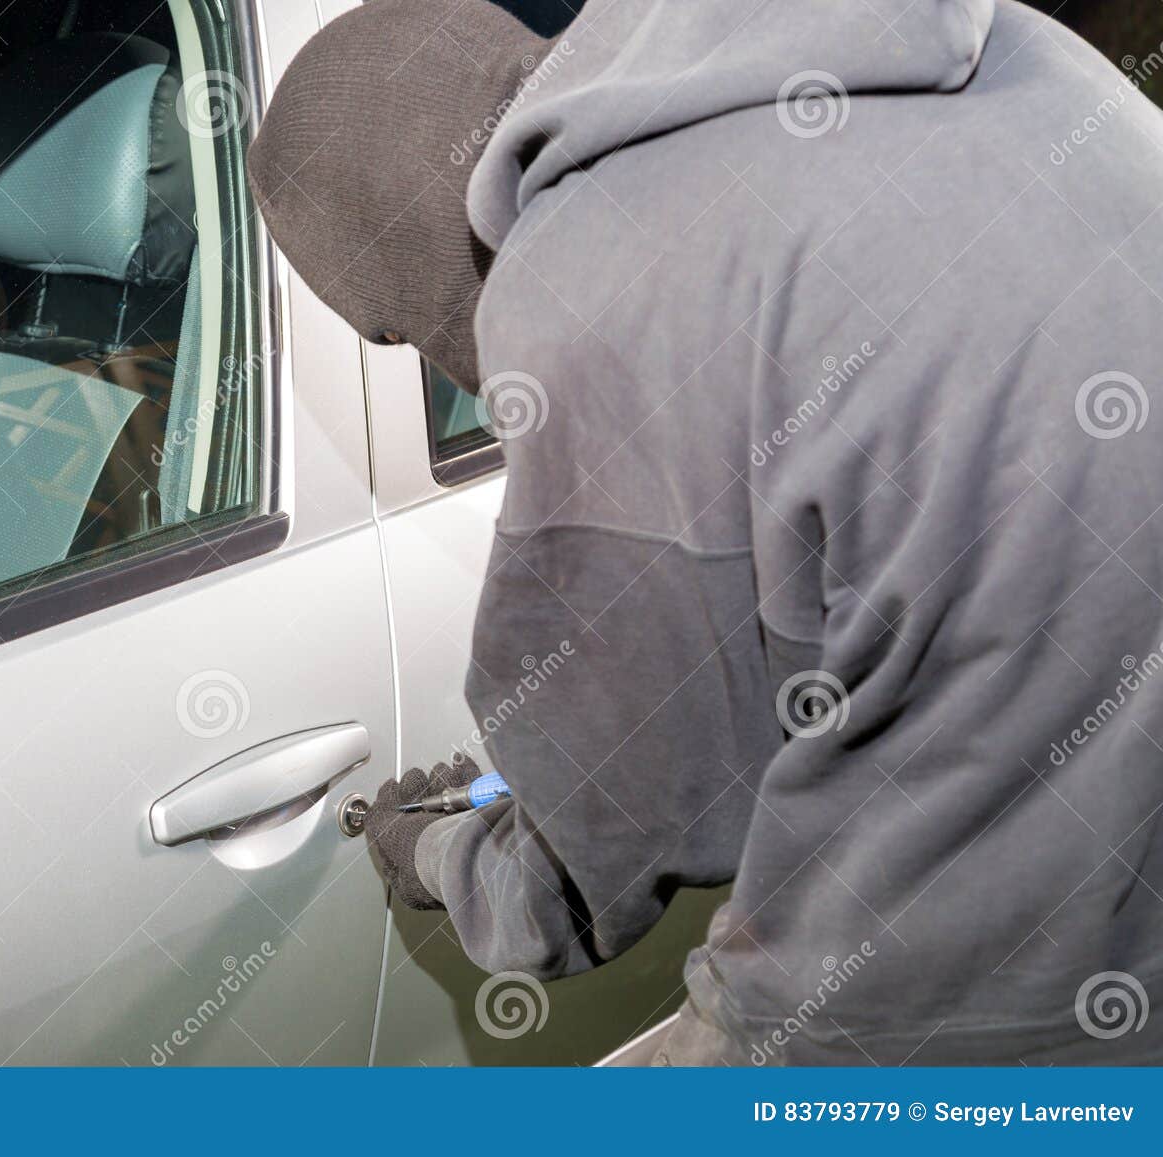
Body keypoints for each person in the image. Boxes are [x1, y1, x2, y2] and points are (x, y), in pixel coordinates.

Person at [248, 0, 1163, 1064]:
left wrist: (448, 850)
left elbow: (601, 859)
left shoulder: (597, 293)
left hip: (974, 1020)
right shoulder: (1010, 50)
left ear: (410, 245)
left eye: (405, 323)